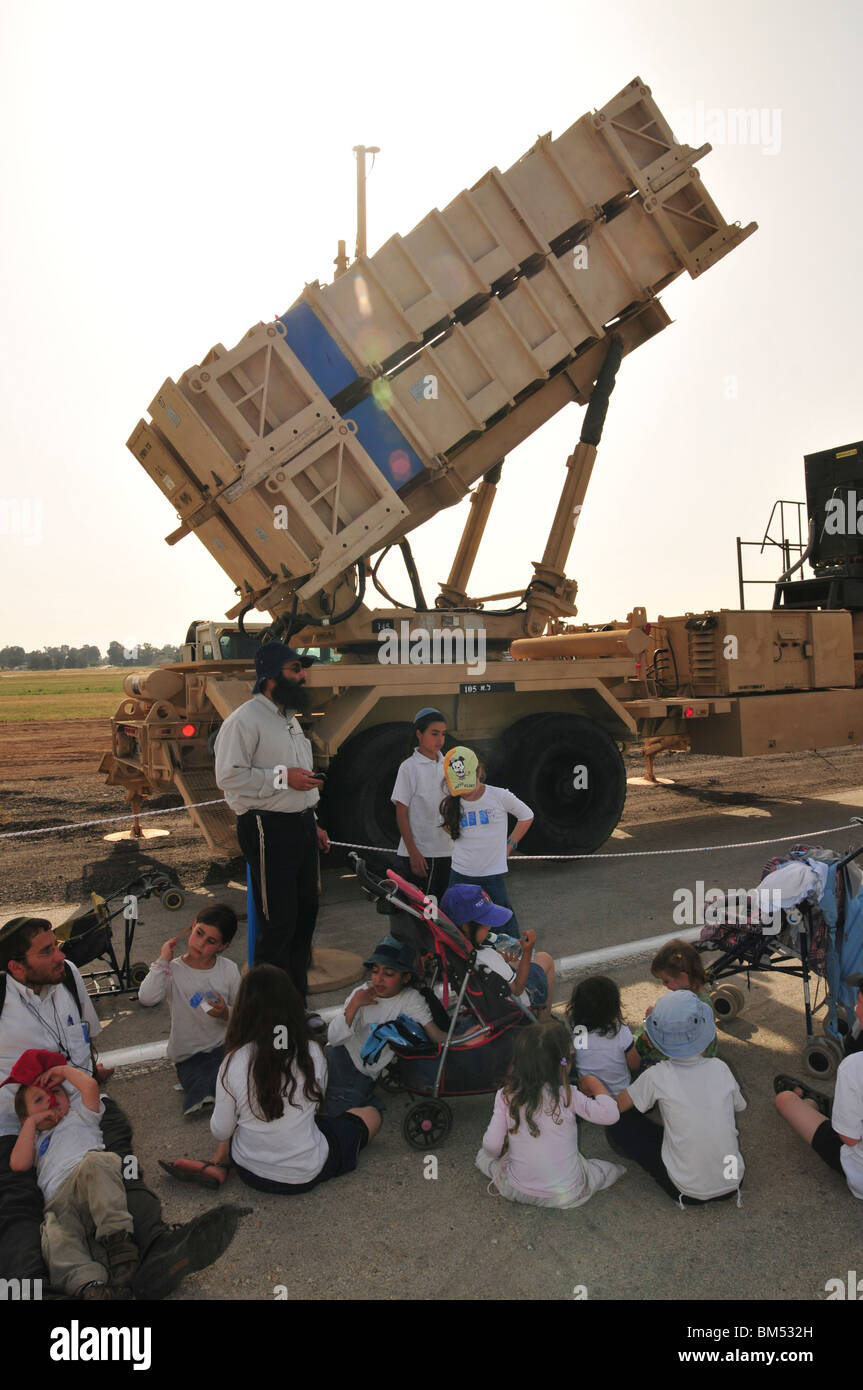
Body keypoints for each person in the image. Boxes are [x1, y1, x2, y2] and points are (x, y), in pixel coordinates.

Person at [0, 915, 244, 1299]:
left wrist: (92, 1076)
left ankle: (158, 1250)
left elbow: (82, 1040)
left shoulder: (68, 977)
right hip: (16, 1123)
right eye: (46, 951)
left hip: (84, 1102)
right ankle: (36, 1288)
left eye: (57, 945)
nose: (60, 955)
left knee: (123, 1170)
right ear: (16, 966)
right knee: (19, 1208)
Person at [214, 640, 331, 1001]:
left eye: (302, 669)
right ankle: (268, 1014)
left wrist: (313, 820)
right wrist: (284, 778)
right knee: (277, 923)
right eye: (295, 669)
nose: (303, 676)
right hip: (267, 828)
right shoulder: (244, 721)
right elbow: (229, 777)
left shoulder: (290, 720)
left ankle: (296, 1005)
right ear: (270, 677)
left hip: (300, 826)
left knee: (304, 917)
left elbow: (300, 778)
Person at [207, 965, 381, 1194]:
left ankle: (221, 1160)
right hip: (305, 1173)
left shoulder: (233, 1061)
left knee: (236, 1120)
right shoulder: (313, 1051)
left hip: (249, 1172)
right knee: (372, 1114)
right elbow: (318, 1106)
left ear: (243, 1010)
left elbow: (221, 1131)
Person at [8, 1053, 138, 1300]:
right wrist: (31, 1124)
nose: (50, 1099)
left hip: (89, 1181)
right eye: (39, 1099)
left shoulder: (81, 1115)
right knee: (54, 1233)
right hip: (60, 1201)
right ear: (26, 1118)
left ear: (68, 1097)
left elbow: (89, 1086)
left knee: (97, 1162)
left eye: (56, 1092)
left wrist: (63, 1071)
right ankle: (88, 1285)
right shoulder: (34, 1140)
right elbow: (18, 1164)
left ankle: (118, 1240)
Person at [613, 990, 746, 1206]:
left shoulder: (657, 1075)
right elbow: (739, 1106)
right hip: (733, 1181)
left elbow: (617, 1106)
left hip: (686, 1190)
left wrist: (595, 1089)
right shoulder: (720, 1068)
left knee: (621, 1124)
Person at [474, 1018, 625, 1208]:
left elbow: (491, 1146)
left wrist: (497, 1152)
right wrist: (594, 1083)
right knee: (604, 1170)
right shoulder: (569, 1095)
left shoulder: (506, 1095)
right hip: (567, 1195)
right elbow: (611, 1115)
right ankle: (620, 1170)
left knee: (483, 1156)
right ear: (565, 1063)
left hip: (517, 1190)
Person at [323, 936, 447, 1116]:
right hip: (335, 1055)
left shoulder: (411, 999)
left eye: (389, 974)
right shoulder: (362, 992)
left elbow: (435, 1035)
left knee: (336, 1113)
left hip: (360, 1071)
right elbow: (333, 1039)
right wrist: (354, 1004)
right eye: (375, 971)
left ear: (405, 978)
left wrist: (466, 1039)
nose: (378, 980)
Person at [137, 904, 242, 1116]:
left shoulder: (228, 969)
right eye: (199, 933)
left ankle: (224, 1089)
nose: (200, 944)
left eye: (210, 941)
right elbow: (146, 998)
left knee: (245, 1063)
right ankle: (215, 1092)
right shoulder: (172, 969)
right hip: (189, 1056)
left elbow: (243, 1015)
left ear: (223, 945)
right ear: (193, 926)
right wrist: (163, 960)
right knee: (213, 1078)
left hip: (223, 1047)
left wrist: (224, 1013)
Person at [774, 973, 863, 1199]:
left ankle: (812, 1102)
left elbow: (850, 1140)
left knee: (785, 1100)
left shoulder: (853, 1067)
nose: (855, 1007)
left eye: (859, 1002)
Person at [439, 745, 533, 932]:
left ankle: (512, 958)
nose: (465, 791)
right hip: (460, 875)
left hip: (491, 876)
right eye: (460, 786)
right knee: (458, 927)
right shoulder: (450, 802)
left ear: (479, 771)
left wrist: (509, 844)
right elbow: (447, 827)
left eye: (468, 783)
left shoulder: (499, 796)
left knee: (504, 926)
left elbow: (526, 815)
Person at [440, 884, 555, 1015]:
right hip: (515, 1005)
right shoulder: (486, 956)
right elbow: (518, 989)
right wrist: (527, 952)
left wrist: (503, 962)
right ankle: (544, 1020)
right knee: (545, 958)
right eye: (485, 923)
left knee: (514, 962)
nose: (489, 927)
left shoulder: (453, 949)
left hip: (486, 998)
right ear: (466, 927)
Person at [391, 707, 451, 903]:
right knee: (425, 910)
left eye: (443, 734)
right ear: (419, 734)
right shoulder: (409, 767)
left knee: (446, 908)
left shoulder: (449, 765)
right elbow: (401, 813)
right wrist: (413, 852)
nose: (439, 740)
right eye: (434, 734)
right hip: (421, 853)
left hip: (448, 850)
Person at [634, 939, 718, 1062]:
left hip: (683, 1059)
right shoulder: (702, 1001)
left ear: (683, 977)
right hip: (703, 1053)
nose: (664, 985)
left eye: (666, 981)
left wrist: (651, 1020)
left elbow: (671, 1043)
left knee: (637, 1050)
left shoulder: (685, 1008)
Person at [567, 975, 640, 1095]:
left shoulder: (579, 1029)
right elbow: (634, 1064)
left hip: (589, 1095)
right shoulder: (620, 1029)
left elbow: (579, 1056)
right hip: (620, 1094)